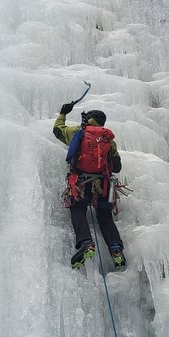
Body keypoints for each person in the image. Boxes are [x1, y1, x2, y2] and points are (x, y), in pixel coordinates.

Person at [54, 102, 126, 270]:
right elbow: (116, 167)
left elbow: (58, 130)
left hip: (81, 182)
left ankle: (86, 243)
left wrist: (63, 113)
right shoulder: (108, 139)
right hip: (104, 185)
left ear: (88, 119)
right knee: (104, 215)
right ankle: (116, 249)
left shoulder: (78, 132)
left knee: (78, 209)